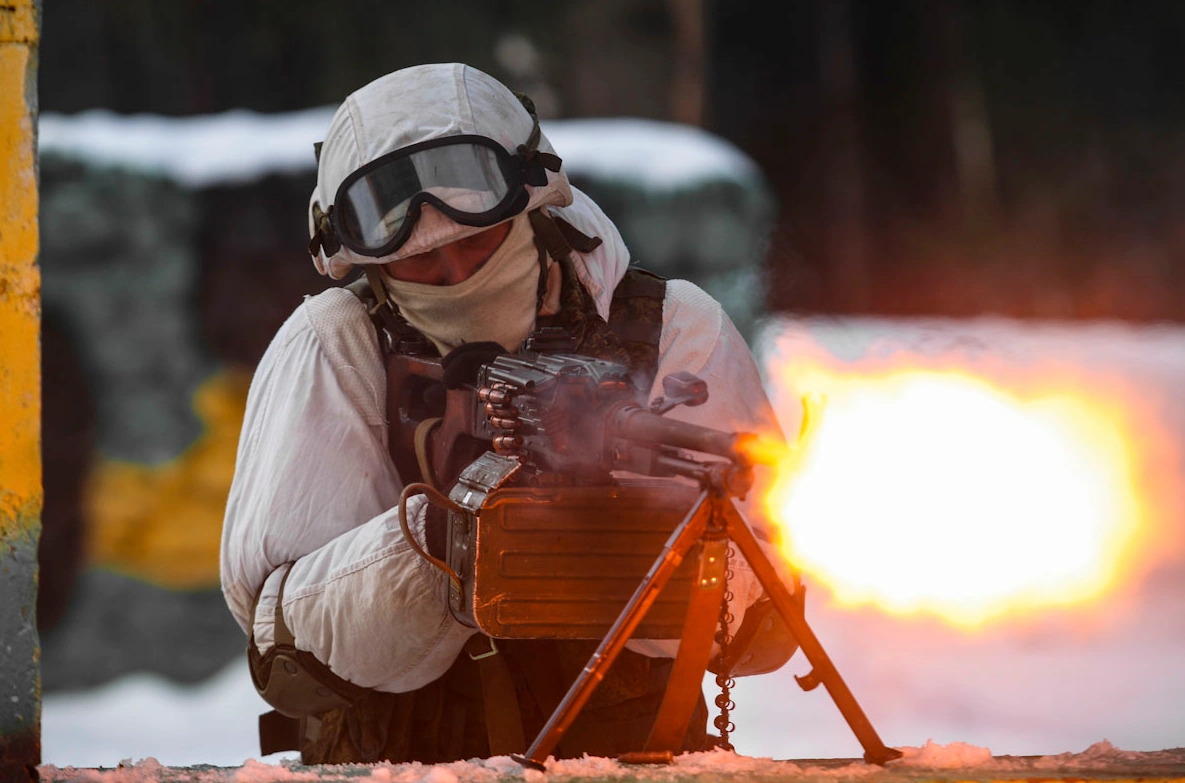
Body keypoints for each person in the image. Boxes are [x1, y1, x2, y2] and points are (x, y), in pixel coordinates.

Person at [220, 62, 799, 765]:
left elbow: (760, 632)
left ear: (535, 205)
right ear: (365, 263)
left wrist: (654, 527)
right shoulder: (334, 345)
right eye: (419, 262)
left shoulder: (670, 326)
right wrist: (435, 543)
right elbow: (283, 649)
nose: (454, 272)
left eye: (476, 241)